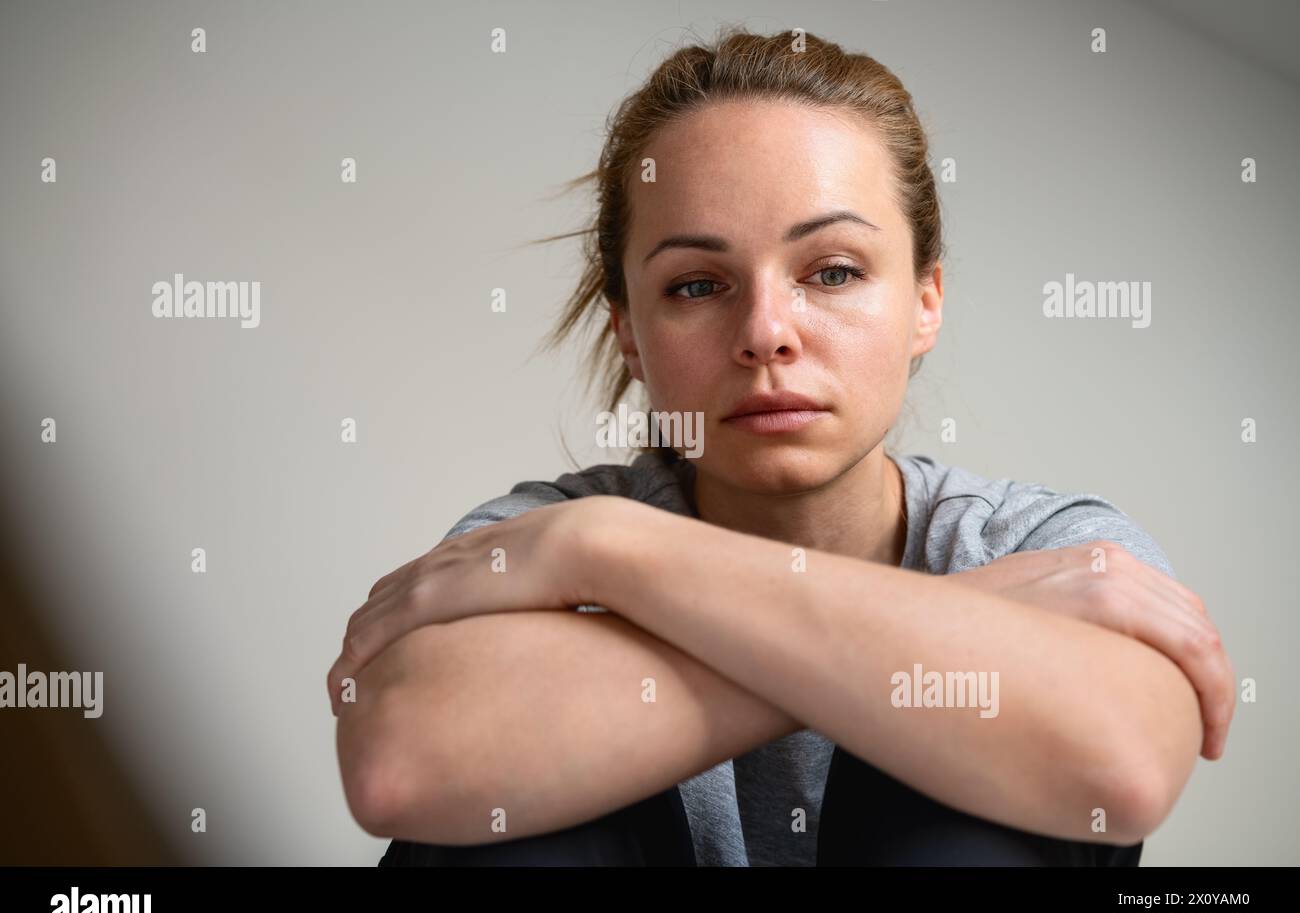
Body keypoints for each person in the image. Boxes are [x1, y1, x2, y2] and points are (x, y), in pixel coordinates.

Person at [329, 27, 1234, 867]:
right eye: (695, 285)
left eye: (833, 271)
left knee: (963, 789)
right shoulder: (544, 530)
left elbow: (1123, 768)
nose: (766, 332)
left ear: (926, 300)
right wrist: (597, 540)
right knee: (521, 805)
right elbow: (399, 767)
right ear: (631, 335)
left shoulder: (1036, 541)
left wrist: (606, 562)